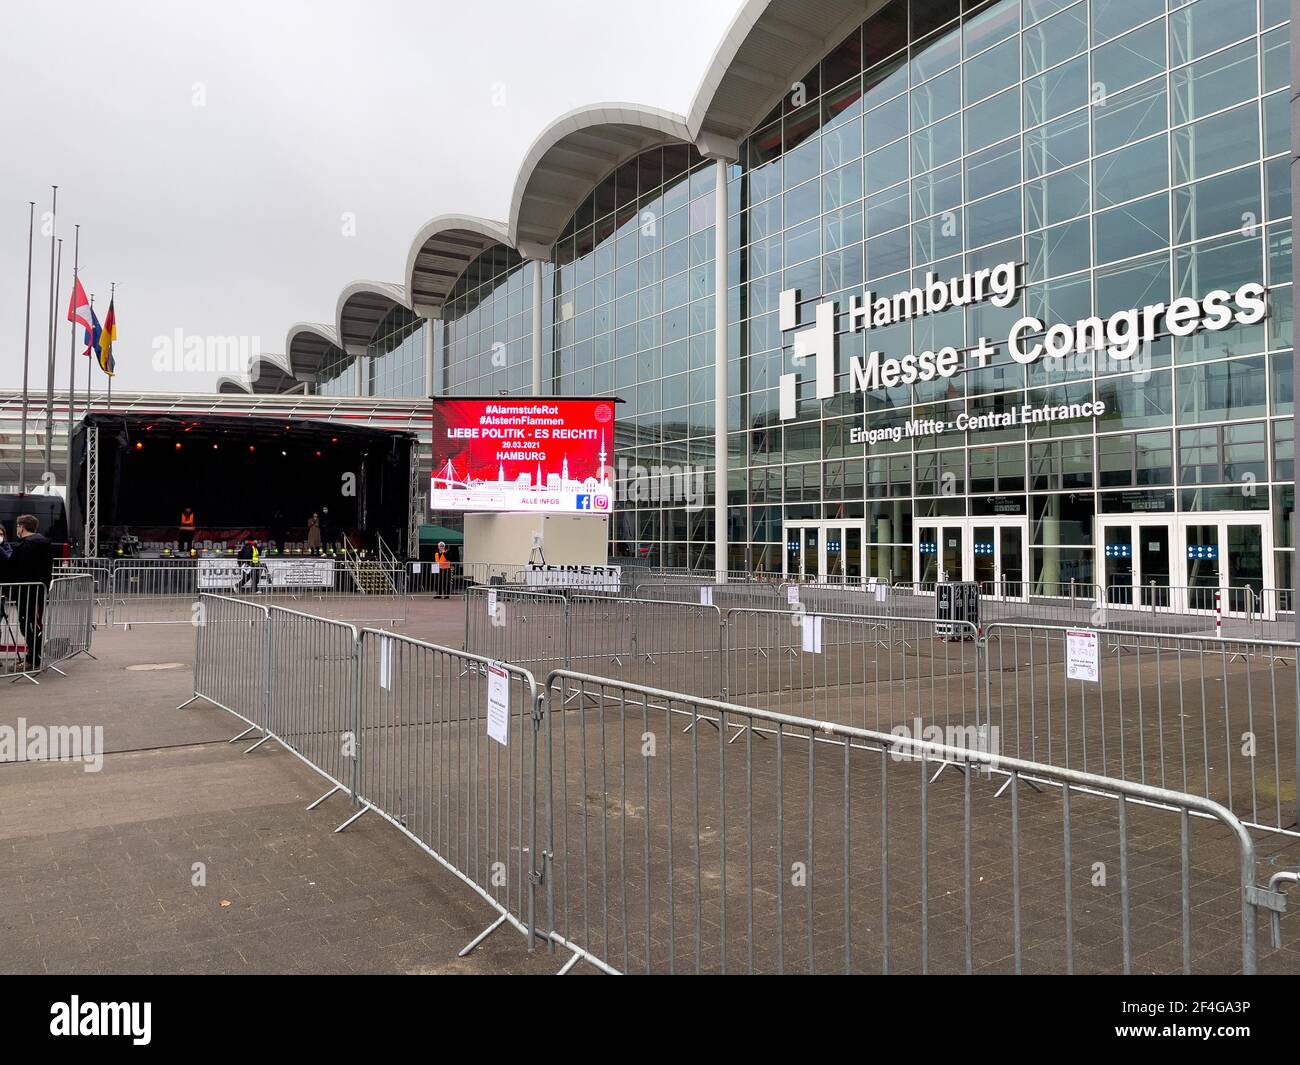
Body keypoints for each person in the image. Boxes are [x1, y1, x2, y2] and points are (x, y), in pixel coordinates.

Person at [0, 514, 54, 671]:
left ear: (22, 527)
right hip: (35, 590)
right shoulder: (42, 543)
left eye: (18, 526)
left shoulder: (26, 546)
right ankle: (33, 657)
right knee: (32, 624)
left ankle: (32, 659)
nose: (17, 529)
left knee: (30, 626)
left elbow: (14, 567)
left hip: (27, 591)